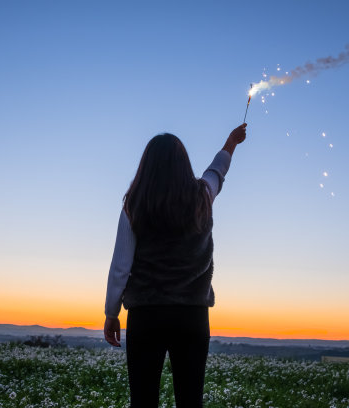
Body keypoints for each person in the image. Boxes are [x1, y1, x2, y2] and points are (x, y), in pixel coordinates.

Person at [103, 123, 247, 407]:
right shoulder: (202, 196)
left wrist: (111, 313)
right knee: (190, 400)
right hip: (191, 316)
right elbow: (217, 170)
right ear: (184, 164)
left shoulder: (134, 204)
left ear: (147, 166)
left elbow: (120, 266)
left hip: (147, 315)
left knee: (143, 401)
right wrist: (231, 142)